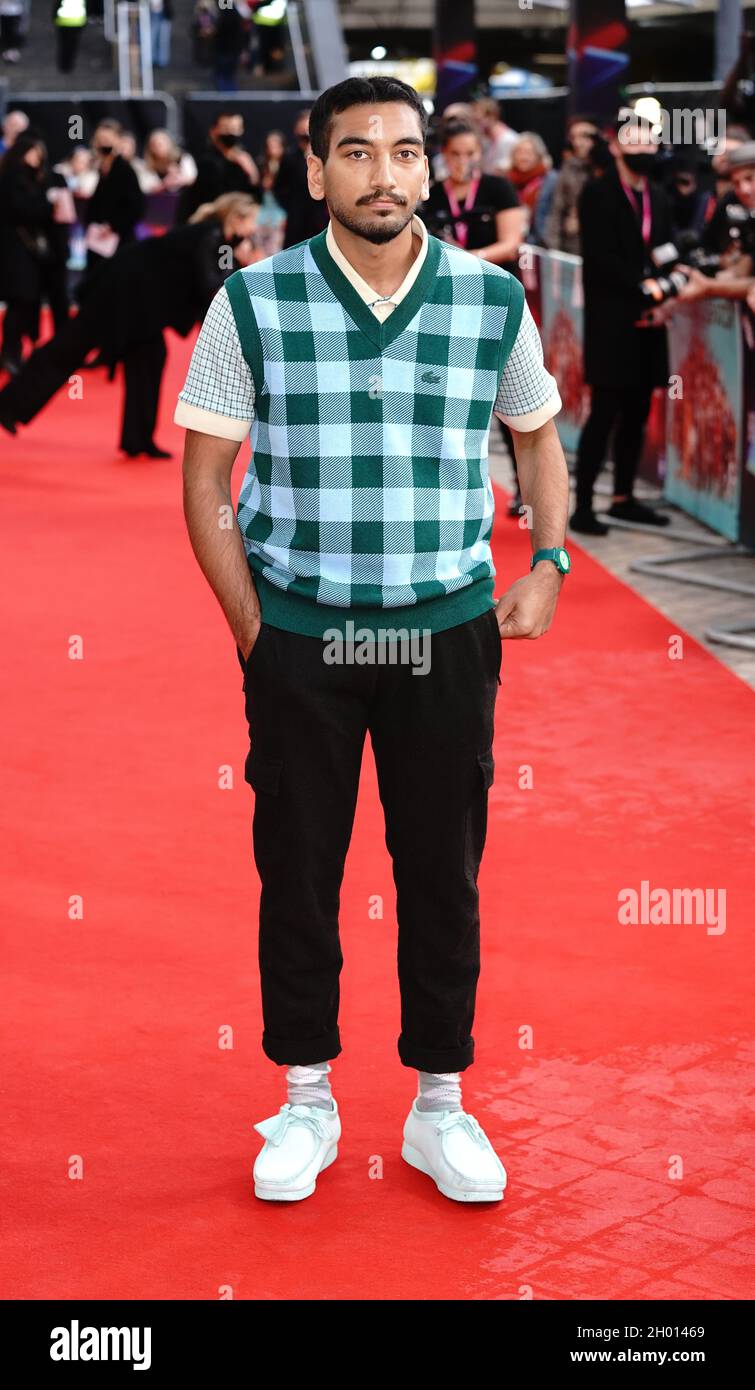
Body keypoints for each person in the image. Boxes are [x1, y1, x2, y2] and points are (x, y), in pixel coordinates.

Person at [175, 75, 569, 1206]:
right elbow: (206, 483)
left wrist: (544, 560)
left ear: (430, 170)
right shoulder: (249, 303)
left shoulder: (488, 301)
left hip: (443, 631)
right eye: (355, 153)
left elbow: (535, 438)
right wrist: (257, 631)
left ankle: (438, 1106)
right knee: (297, 866)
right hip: (303, 629)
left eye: (404, 153)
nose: (384, 174)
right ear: (314, 171)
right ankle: (304, 1096)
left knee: (439, 868)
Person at [0, 192, 259, 454]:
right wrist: (243, 267)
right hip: (119, 294)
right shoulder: (213, 236)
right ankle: (8, 405)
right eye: (252, 221)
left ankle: (137, 440)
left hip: (138, 303)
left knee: (149, 356)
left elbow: (215, 278)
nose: (254, 228)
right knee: (66, 349)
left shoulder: (217, 238)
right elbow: (214, 286)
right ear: (236, 219)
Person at [570, 116, 673, 535]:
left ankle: (624, 498)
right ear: (615, 146)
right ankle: (583, 505)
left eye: (651, 143)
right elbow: (600, 259)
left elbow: (667, 248)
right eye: (636, 142)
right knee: (604, 413)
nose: (644, 150)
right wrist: (645, 289)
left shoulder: (659, 196)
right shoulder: (597, 194)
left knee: (639, 411)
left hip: (650, 321)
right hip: (611, 320)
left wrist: (667, 291)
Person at [0, 131, 71, 375]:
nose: (37, 158)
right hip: (14, 252)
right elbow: (23, 211)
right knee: (20, 302)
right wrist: (49, 204)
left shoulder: (37, 178)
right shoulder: (11, 179)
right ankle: (10, 352)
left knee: (26, 302)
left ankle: (16, 351)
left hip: (29, 254)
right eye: (33, 153)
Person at [80, 119, 144, 277]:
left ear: (118, 141)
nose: (104, 145)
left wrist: (113, 226)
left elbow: (136, 208)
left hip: (118, 244)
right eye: (100, 140)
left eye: (108, 140)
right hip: (98, 243)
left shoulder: (125, 171)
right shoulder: (100, 170)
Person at [175, 110, 259, 223]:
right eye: (226, 129)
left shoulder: (245, 160)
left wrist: (252, 172)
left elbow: (255, 196)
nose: (231, 133)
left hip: (239, 222)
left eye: (235, 129)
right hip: (211, 222)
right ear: (214, 131)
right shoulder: (205, 161)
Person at [272, 108, 329, 248]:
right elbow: (279, 188)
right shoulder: (289, 158)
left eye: (309, 131)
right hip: (297, 222)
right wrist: (292, 207)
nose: (306, 136)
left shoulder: (327, 156)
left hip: (322, 221)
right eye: (302, 132)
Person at [543, 115, 598, 255]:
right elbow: (557, 208)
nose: (578, 142)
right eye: (574, 137)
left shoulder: (610, 169)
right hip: (573, 245)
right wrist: (553, 249)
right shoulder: (568, 168)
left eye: (585, 136)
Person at [507, 131, 557, 245]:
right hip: (511, 238)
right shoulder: (506, 179)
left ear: (538, 156)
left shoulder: (550, 179)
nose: (524, 157)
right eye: (519, 152)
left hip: (539, 242)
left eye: (529, 153)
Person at [473, 95, 519, 176]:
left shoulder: (509, 139)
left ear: (492, 116)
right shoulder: (483, 139)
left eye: (479, 120)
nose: (476, 124)